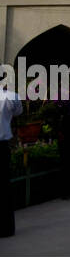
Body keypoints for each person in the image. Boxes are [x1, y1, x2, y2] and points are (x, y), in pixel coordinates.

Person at [0, 78, 22, 237]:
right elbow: (18, 112)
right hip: (2, 146)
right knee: (4, 186)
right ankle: (7, 227)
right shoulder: (12, 96)